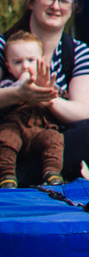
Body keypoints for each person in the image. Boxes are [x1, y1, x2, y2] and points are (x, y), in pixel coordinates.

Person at [2, 0, 89, 182]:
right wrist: (19, 94)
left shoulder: (81, 55)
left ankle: (20, 179)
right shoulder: (3, 46)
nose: (55, 6)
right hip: (5, 137)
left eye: (64, 1)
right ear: (31, 1)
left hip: (48, 143)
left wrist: (47, 98)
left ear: (73, 8)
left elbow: (83, 112)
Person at [0, 32, 65, 185]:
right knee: (5, 139)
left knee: (54, 138)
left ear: (42, 61)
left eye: (31, 60)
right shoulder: (7, 85)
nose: (25, 66)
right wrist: (20, 87)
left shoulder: (48, 82)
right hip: (13, 127)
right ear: (9, 66)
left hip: (40, 129)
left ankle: (52, 172)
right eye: (18, 62)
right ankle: (6, 175)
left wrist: (48, 91)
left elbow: (61, 98)